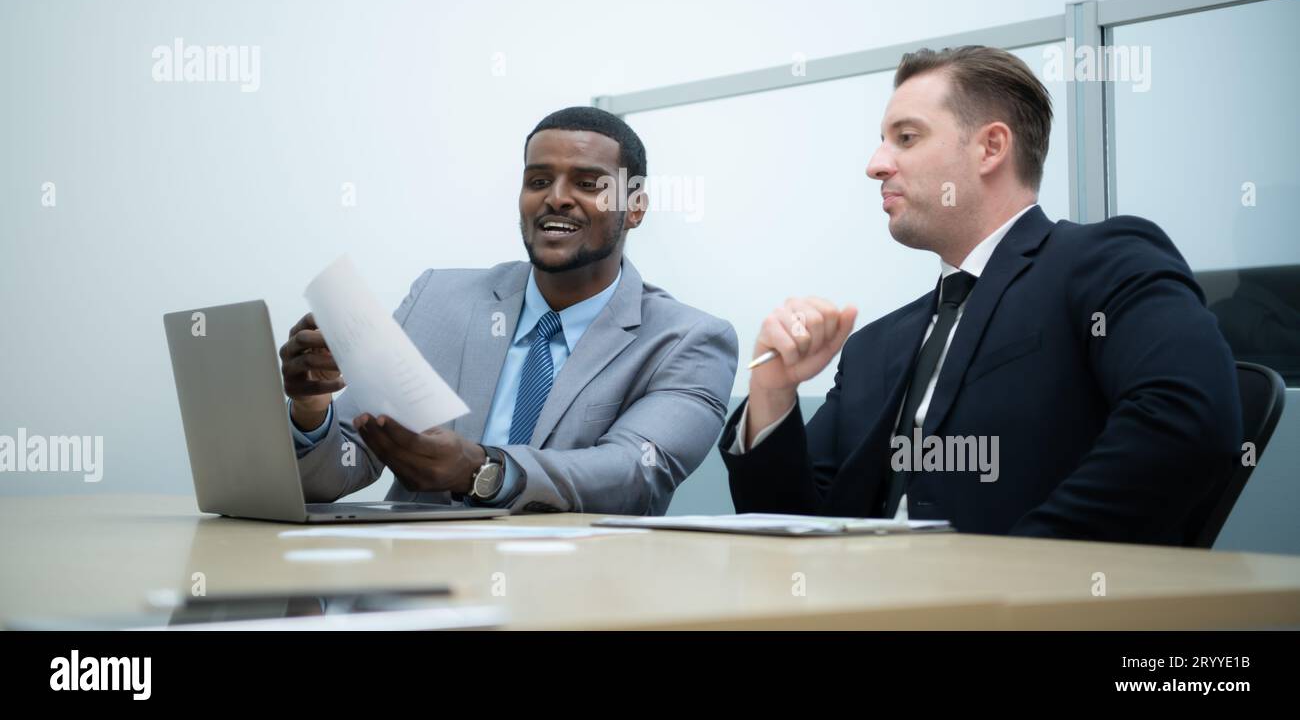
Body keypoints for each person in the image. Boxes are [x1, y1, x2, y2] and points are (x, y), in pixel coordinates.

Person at [721, 46, 1241, 544]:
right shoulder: (871, 348)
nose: (876, 164)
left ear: (990, 147)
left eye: (905, 137)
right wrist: (771, 392)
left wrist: (1013, 576)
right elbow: (788, 529)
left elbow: (1187, 421)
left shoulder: (1103, 262)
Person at [282, 107, 738, 514]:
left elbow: (631, 474)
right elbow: (329, 477)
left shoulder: (689, 340)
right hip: (419, 587)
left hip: (581, 593)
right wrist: (311, 406)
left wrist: (482, 470)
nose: (556, 197)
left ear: (635, 208)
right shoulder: (438, 298)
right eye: (538, 181)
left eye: (587, 183)